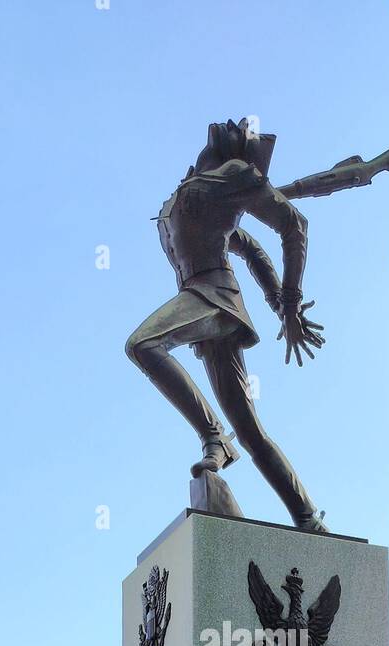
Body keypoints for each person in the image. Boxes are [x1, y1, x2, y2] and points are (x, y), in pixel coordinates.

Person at [125, 119, 328, 532]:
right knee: (251, 432)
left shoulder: (235, 177)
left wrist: (286, 306)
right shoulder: (194, 194)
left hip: (213, 299)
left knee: (143, 344)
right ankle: (308, 517)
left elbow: (293, 228)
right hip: (202, 308)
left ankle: (213, 436)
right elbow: (249, 246)